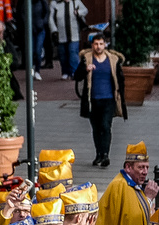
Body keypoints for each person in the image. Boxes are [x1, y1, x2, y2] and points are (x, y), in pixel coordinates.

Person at [76, 31, 128, 169]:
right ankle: (98, 154)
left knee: (105, 126)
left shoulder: (113, 60)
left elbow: (120, 79)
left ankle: (105, 155)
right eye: (96, 44)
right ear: (92, 45)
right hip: (92, 99)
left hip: (109, 99)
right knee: (96, 128)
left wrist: (121, 97)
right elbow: (76, 76)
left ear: (105, 45)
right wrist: (85, 70)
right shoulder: (87, 59)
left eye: (101, 44)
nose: (98, 47)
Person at [50, 0, 87, 78]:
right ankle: (65, 72)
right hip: (60, 34)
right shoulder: (55, 3)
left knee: (73, 52)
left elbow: (85, 10)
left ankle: (75, 72)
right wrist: (54, 30)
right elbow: (51, 18)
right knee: (62, 54)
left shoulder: (76, 1)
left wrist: (78, 12)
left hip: (74, 33)